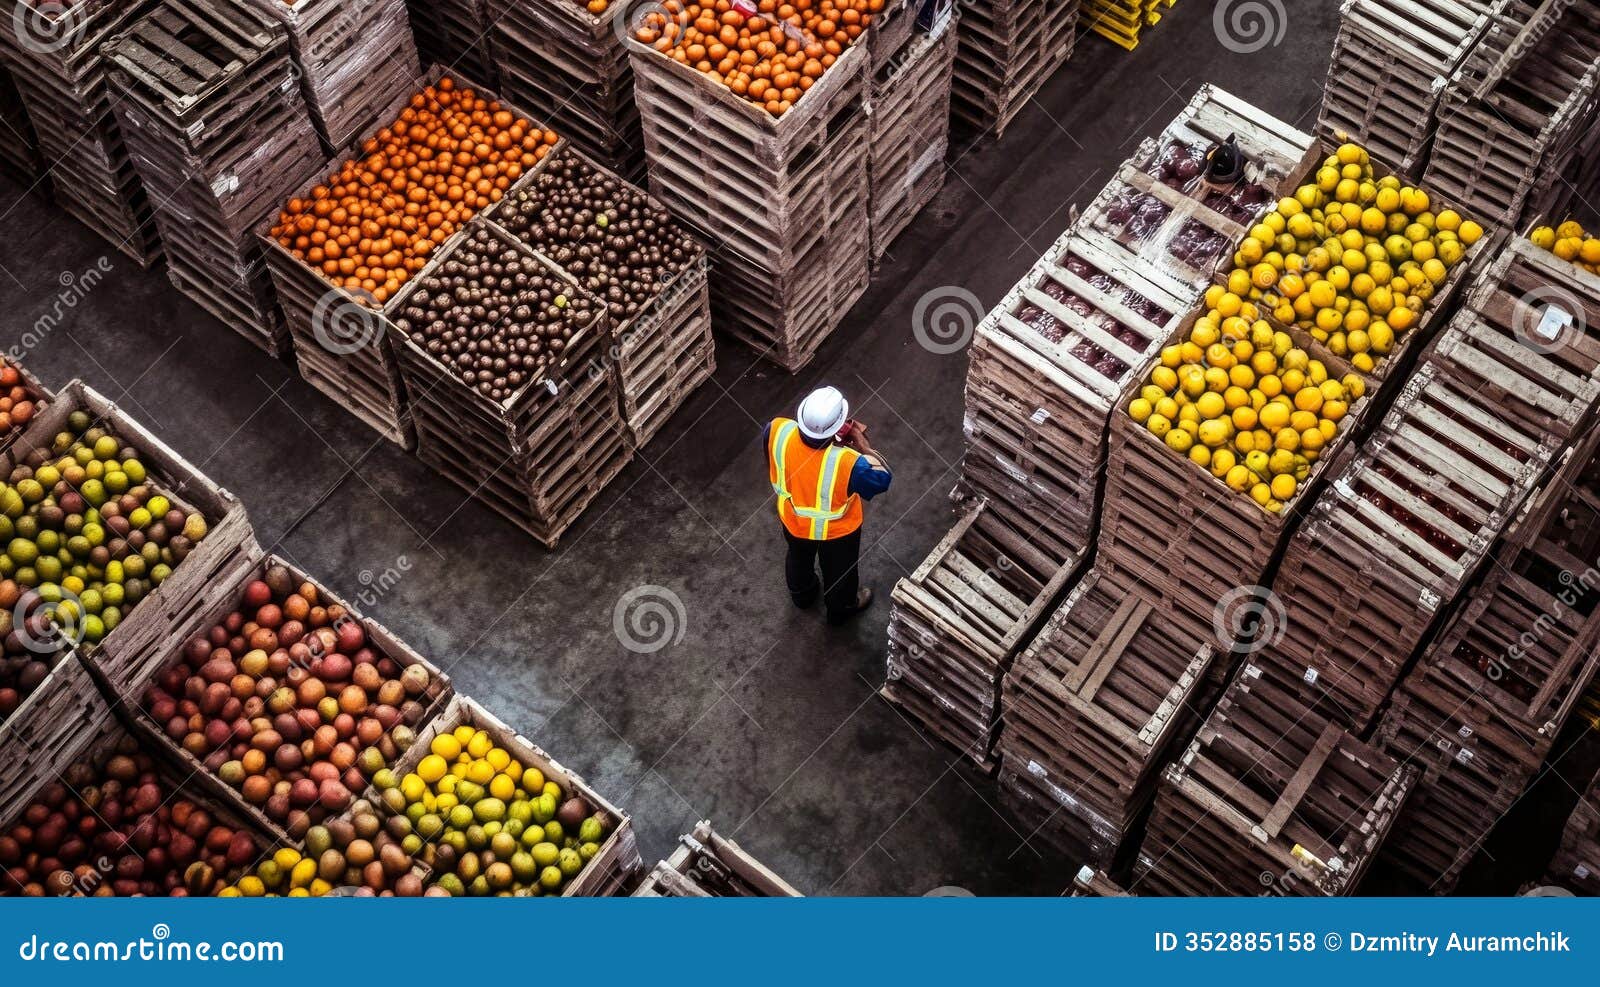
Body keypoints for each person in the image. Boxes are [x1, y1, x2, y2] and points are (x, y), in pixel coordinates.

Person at [764, 386, 892, 625]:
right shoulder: (849, 463)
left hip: (793, 519)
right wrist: (860, 443)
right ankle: (841, 608)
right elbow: (882, 480)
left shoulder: (776, 429)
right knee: (840, 572)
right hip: (837, 532)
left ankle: (802, 595)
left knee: (798, 557)